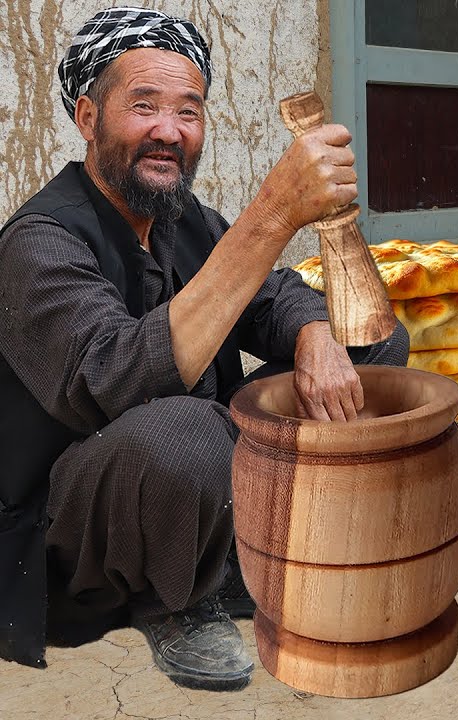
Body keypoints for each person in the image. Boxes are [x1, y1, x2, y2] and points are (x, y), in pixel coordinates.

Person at [0, 8, 409, 689]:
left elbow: (274, 296)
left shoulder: (181, 219)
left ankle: (236, 550)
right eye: (144, 106)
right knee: (183, 432)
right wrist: (275, 213)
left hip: (205, 461)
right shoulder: (39, 242)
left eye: (188, 111)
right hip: (74, 527)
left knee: (371, 343)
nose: (169, 130)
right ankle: (176, 594)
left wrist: (314, 335)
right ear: (87, 118)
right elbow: (114, 380)